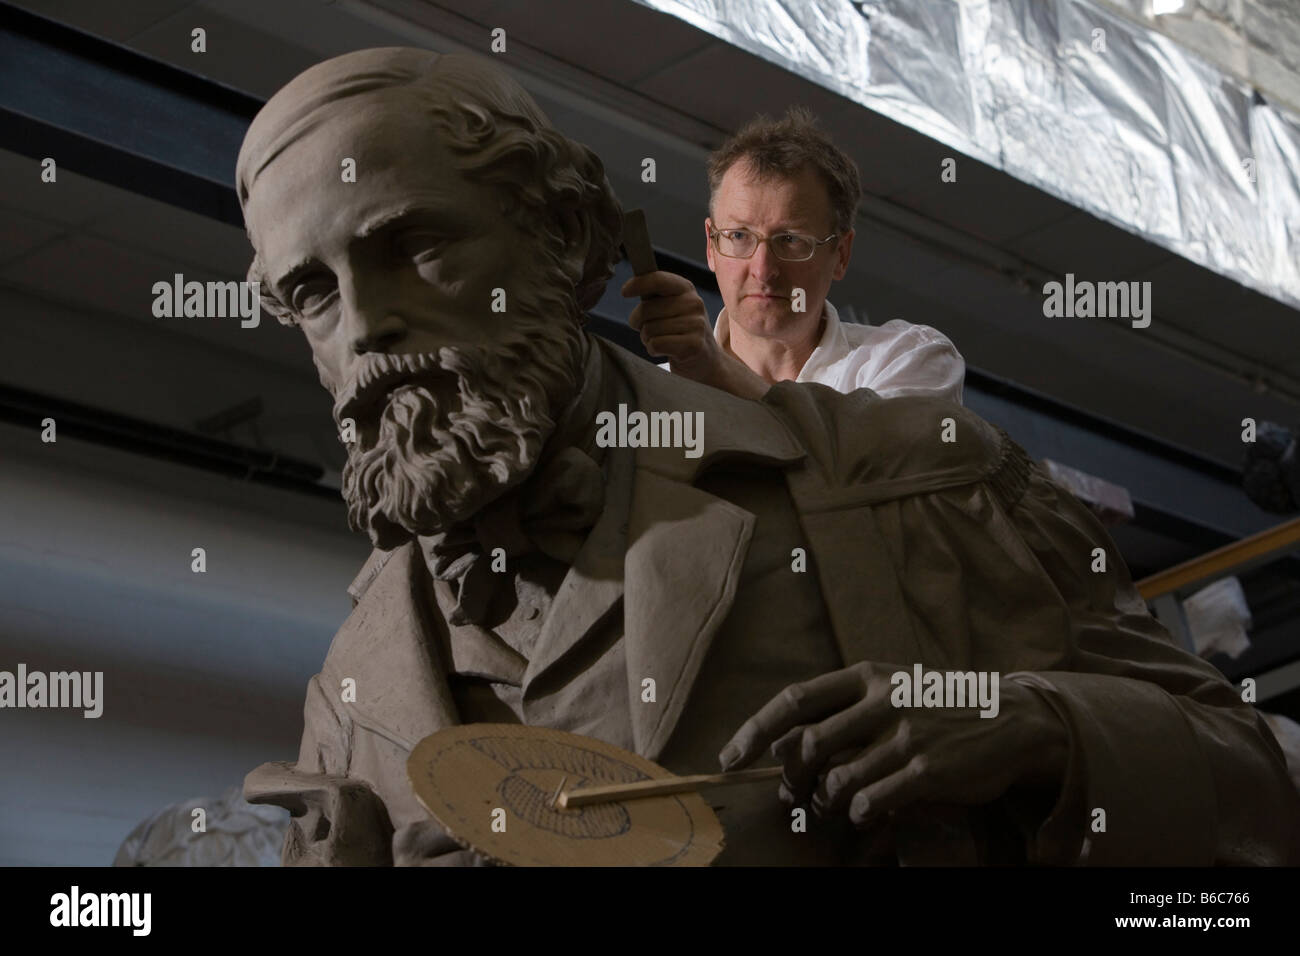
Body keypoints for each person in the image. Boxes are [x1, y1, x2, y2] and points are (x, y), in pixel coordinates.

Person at [238, 47, 1299, 866]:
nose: (369, 324)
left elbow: (1266, 784)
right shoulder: (350, 694)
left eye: (413, 247)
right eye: (313, 293)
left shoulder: (904, 485)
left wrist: (1039, 730)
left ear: (562, 238)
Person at [623, 108, 964, 404]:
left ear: (841, 254)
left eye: (790, 240)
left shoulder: (903, 360)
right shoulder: (650, 395)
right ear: (711, 247)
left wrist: (717, 373)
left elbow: (865, 463)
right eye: (739, 236)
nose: (763, 269)